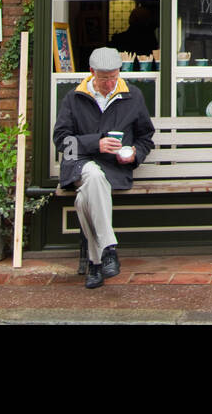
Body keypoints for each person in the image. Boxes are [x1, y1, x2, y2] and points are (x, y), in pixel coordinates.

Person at [53, 47, 155, 288]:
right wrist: (95, 143)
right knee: (93, 175)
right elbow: (62, 142)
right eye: (104, 78)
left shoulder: (133, 96)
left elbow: (145, 137)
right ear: (91, 73)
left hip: (113, 169)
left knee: (84, 199)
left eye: (114, 77)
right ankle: (109, 247)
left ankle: (95, 263)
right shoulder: (74, 98)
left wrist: (134, 155)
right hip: (79, 166)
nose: (110, 83)